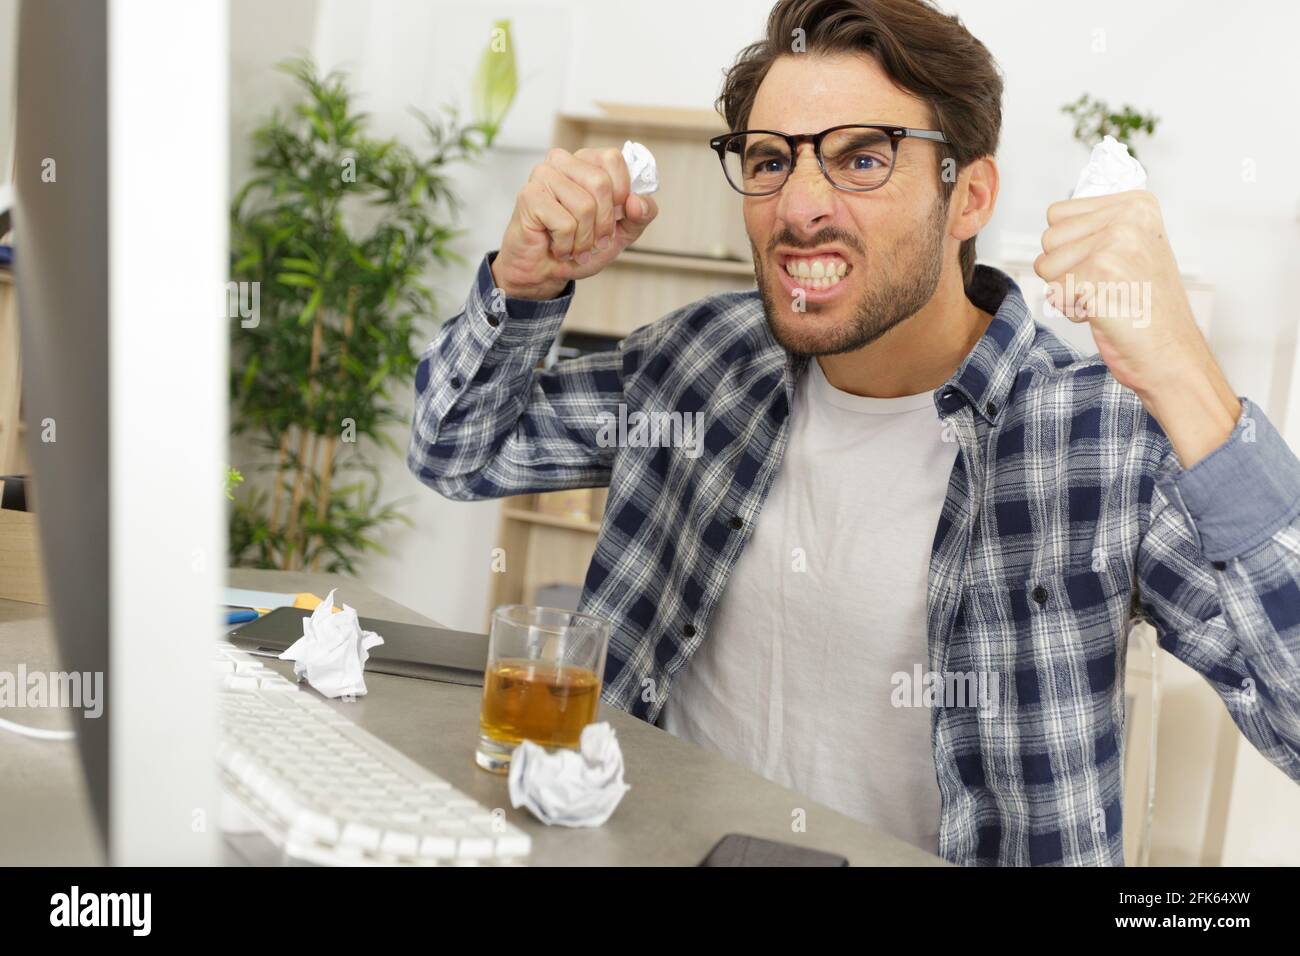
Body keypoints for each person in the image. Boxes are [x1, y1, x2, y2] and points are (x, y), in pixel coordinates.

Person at [408, 0, 1300, 865]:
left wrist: (1186, 374)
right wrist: (522, 286)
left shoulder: (1098, 432)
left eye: (863, 159)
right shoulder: (702, 362)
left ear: (970, 195)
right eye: (767, 161)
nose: (799, 208)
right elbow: (457, 449)